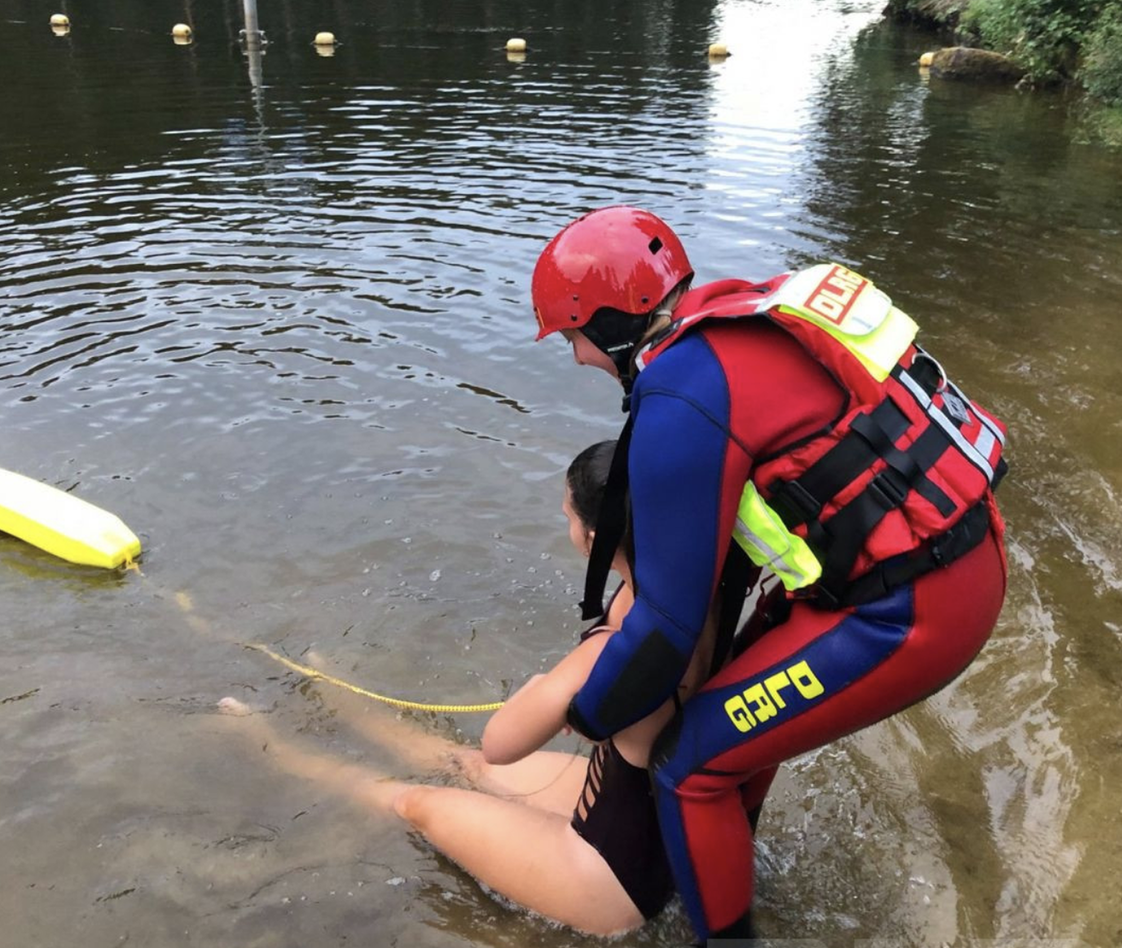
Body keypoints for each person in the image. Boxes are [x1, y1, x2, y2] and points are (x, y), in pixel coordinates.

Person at [529, 205, 1010, 942]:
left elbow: (666, 625)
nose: (576, 359)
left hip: (913, 610)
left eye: (572, 337)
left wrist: (588, 711)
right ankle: (717, 867)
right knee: (726, 729)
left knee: (688, 765)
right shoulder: (738, 315)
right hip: (959, 554)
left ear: (610, 325)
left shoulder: (679, 396)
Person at [218, 440, 723, 936]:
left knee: (413, 802)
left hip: (612, 877)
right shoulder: (699, 592)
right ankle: (341, 701)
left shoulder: (616, 650)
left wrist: (540, 690)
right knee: (462, 763)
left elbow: (500, 744)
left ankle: (268, 741)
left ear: (593, 538)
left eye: (567, 516)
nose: (566, 526)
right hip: (658, 823)